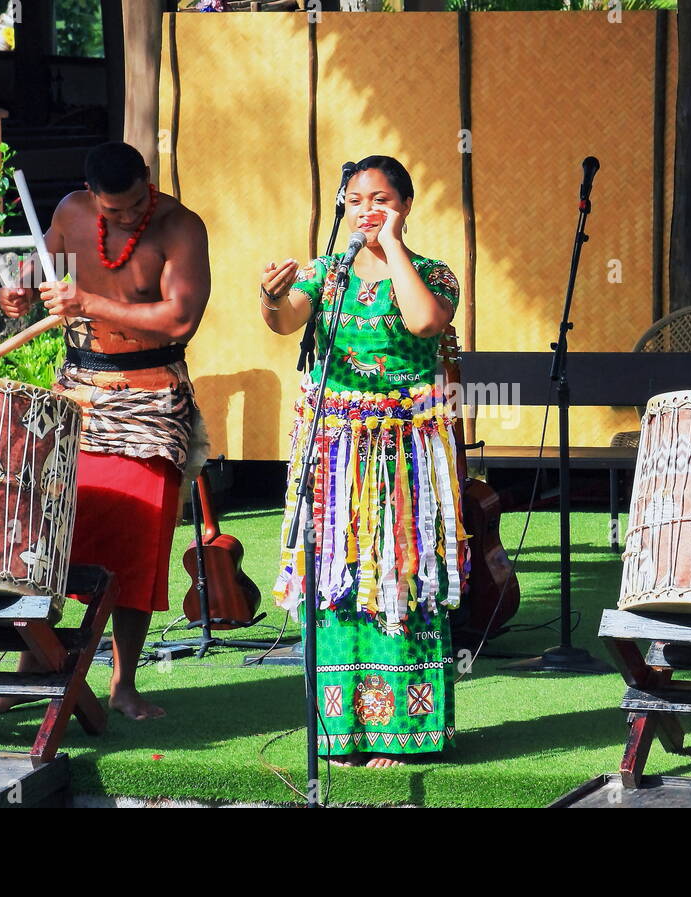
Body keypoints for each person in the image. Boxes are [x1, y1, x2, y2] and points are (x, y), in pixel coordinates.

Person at [0, 141, 211, 720]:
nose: (126, 218)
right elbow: (40, 268)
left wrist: (89, 302)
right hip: (76, 393)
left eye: (134, 205)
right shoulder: (71, 212)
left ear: (147, 182)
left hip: (151, 399)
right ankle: (31, 673)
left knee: (135, 543)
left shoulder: (180, 227)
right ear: (92, 197)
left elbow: (179, 317)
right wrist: (19, 291)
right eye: (114, 211)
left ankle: (123, 683)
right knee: (49, 534)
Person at [261, 155, 463, 768]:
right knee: (338, 575)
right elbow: (283, 321)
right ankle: (340, 731)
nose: (366, 209)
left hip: (402, 453)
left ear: (405, 205)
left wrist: (393, 245)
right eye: (355, 199)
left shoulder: (432, 272)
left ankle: (404, 732)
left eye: (380, 199)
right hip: (333, 452)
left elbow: (425, 322)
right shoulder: (325, 273)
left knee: (396, 577)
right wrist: (270, 298)